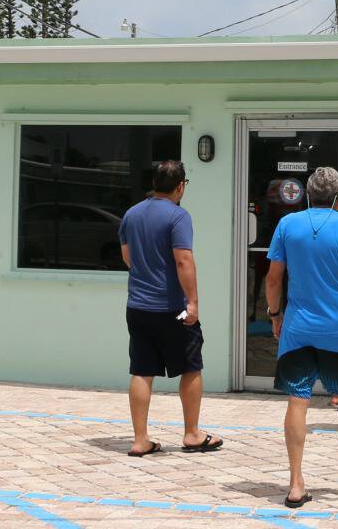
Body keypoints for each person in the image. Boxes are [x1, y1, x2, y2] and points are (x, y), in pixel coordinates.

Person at [265, 166, 338, 508]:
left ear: (307, 194)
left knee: (298, 399)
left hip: (298, 327)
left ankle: (296, 484)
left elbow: (273, 278)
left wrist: (274, 314)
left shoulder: (288, 225)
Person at [117, 160, 223, 457]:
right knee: (190, 365)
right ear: (180, 186)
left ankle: (140, 440)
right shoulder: (178, 217)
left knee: (141, 370)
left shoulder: (131, 214)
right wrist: (192, 303)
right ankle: (191, 434)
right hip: (173, 308)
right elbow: (183, 260)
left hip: (137, 306)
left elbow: (128, 258)